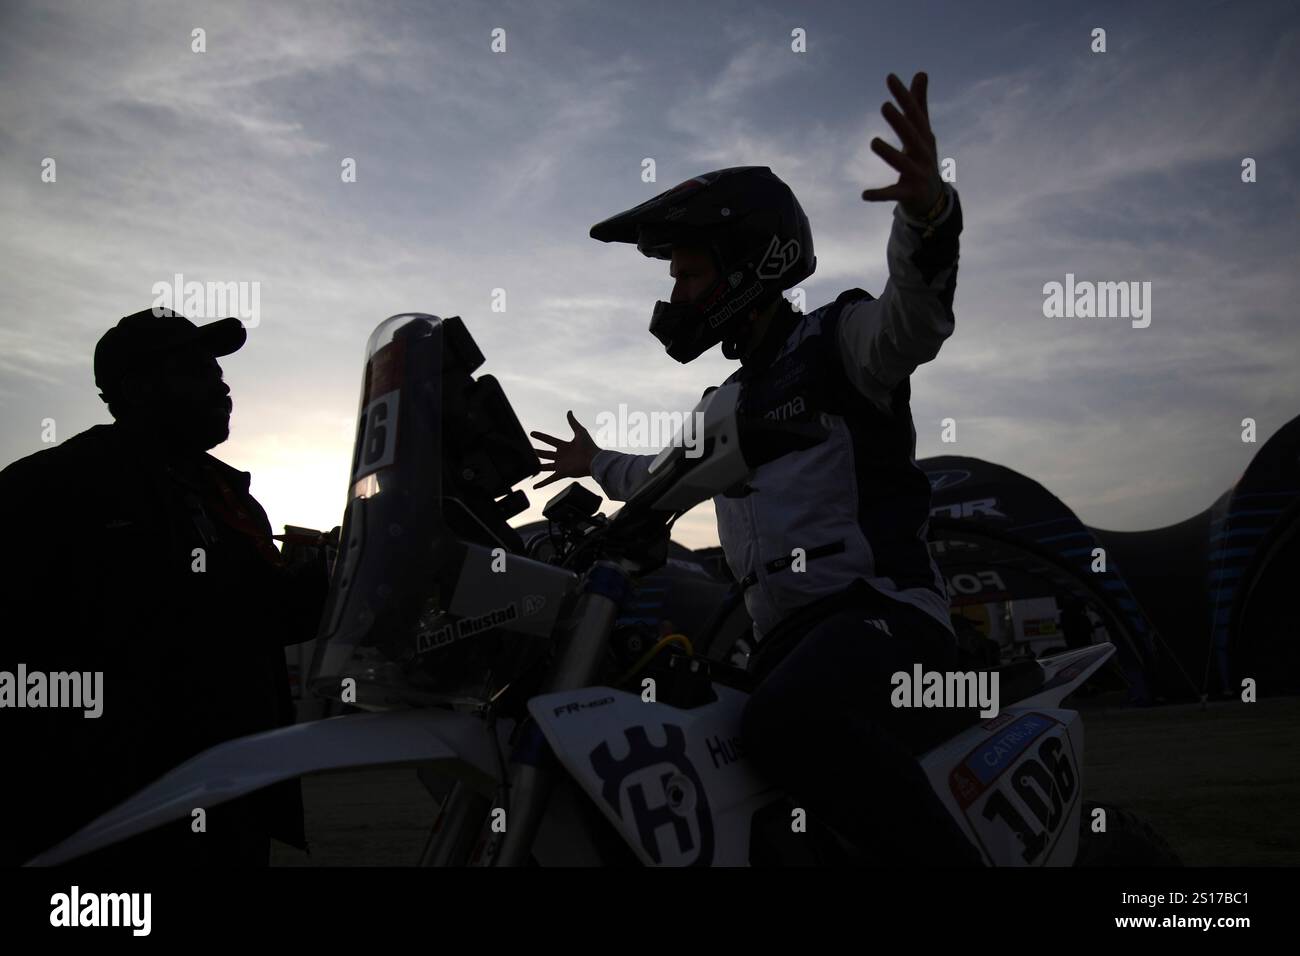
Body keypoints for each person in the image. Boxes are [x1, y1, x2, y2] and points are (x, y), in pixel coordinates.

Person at [531, 73, 984, 865]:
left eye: (689, 270)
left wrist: (926, 215)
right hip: (784, 646)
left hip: (887, 620)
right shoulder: (726, 401)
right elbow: (659, 481)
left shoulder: (840, 341)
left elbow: (914, 320)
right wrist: (593, 462)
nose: (675, 288)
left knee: (785, 724)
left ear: (748, 265)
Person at [0, 308, 328, 866]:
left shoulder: (231, 497)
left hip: (227, 803)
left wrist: (342, 564)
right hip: (105, 813)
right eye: (198, 370)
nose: (222, 385)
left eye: (220, 372)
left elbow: (266, 616)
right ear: (138, 388)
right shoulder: (51, 485)